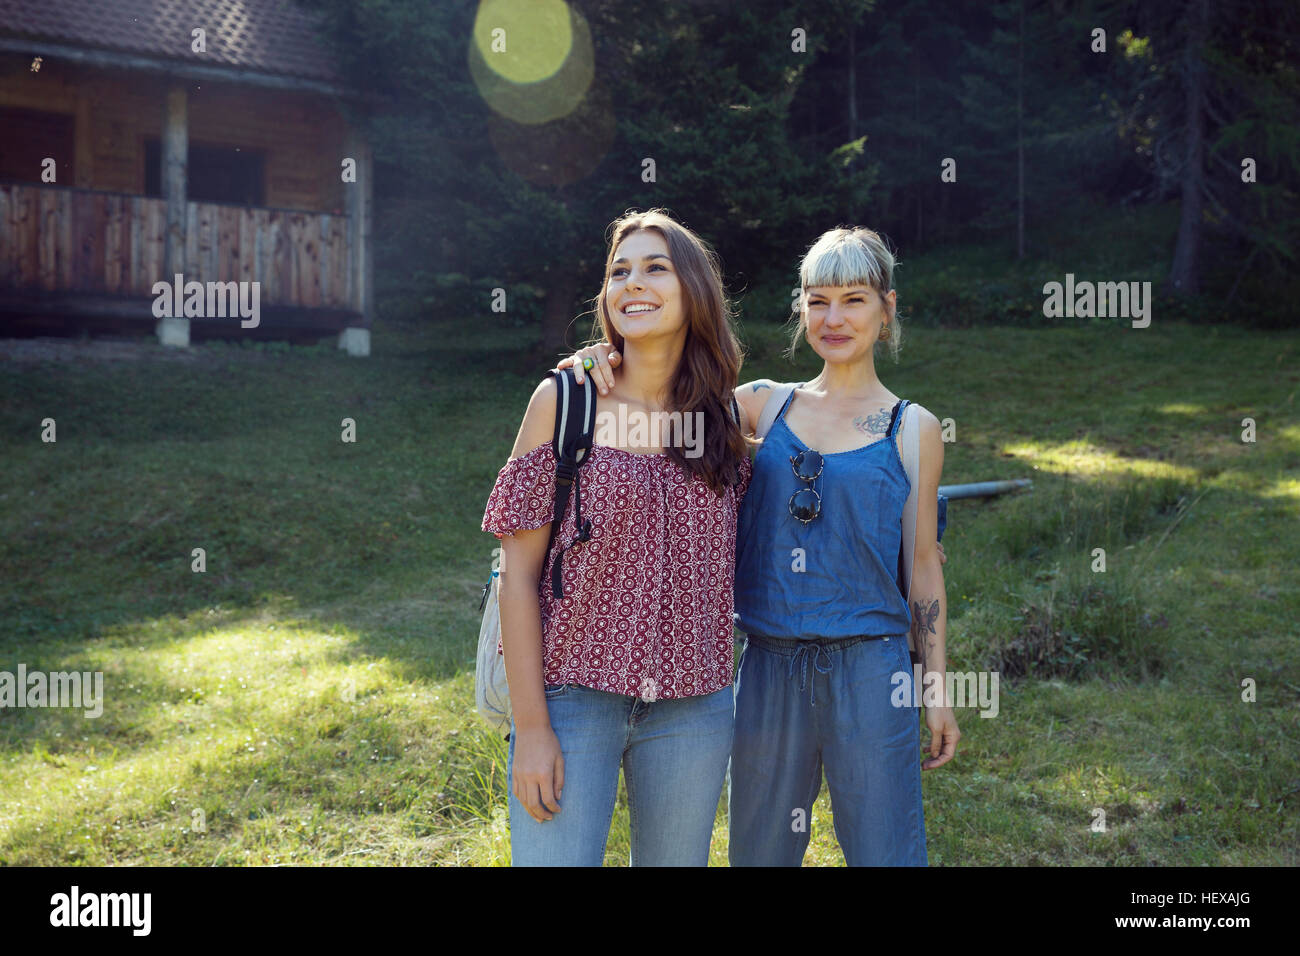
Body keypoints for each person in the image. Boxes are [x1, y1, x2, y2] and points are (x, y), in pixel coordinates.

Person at [559, 225, 959, 866]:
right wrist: (596, 360)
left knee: (886, 851)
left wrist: (935, 689)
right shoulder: (758, 409)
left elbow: (921, 567)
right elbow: (655, 398)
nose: (834, 317)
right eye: (818, 299)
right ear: (801, 310)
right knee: (760, 853)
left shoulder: (912, 428)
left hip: (872, 666)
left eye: (854, 299)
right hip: (769, 666)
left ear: (886, 309)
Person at [481, 209, 751, 866]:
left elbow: (822, 435)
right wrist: (534, 728)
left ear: (695, 290)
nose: (632, 283)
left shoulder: (721, 418)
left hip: (696, 706)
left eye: (655, 268)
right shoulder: (567, 401)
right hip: (572, 701)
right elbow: (516, 577)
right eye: (618, 272)